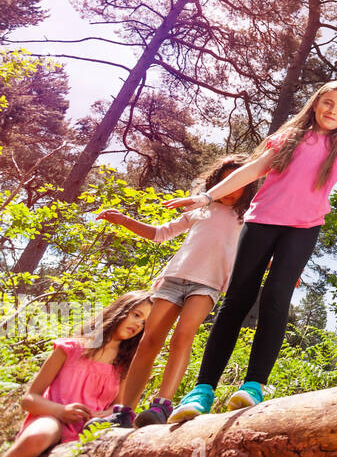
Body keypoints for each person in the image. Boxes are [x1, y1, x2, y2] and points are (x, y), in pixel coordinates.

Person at [163, 82, 337, 420]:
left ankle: (253, 386)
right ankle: (202, 390)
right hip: (262, 223)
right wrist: (206, 197)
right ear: (315, 104)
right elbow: (251, 170)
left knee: (277, 298)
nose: (333, 111)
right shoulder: (289, 138)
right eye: (328, 103)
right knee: (236, 300)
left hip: (303, 230)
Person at [88, 155, 257, 428]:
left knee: (183, 336)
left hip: (208, 284)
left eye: (235, 183)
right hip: (174, 278)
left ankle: (162, 405)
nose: (229, 187)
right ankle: (123, 411)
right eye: (223, 180)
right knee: (149, 340)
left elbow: (255, 251)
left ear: (246, 186)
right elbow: (160, 233)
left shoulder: (247, 218)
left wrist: (278, 266)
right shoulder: (200, 210)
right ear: (215, 183)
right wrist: (124, 221)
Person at [0, 291, 151, 457]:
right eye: (136, 314)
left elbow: (120, 409)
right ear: (119, 311)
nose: (138, 325)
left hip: (94, 429)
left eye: (144, 323)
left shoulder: (125, 365)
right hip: (53, 417)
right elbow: (29, 399)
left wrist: (103, 415)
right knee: (38, 436)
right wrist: (61, 411)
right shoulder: (70, 348)